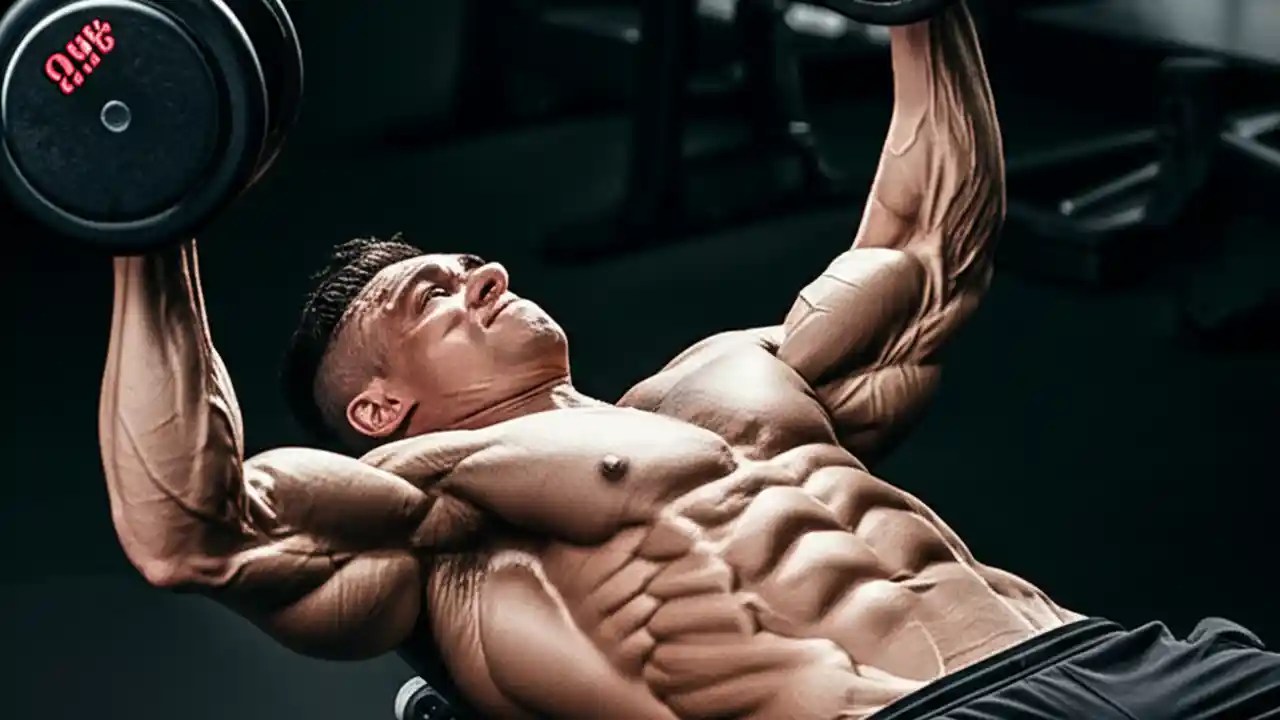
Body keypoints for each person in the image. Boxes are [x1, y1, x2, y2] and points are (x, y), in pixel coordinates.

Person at [98, 3, 1279, 719]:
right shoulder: (438, 513)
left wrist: (918, 18)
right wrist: (148, 217)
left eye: (471, 264)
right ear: (377, 408)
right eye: (434, 296)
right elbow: (194, 532)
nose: (484, 276)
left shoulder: (726, 375)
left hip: (1123, 662)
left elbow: (927, 252)